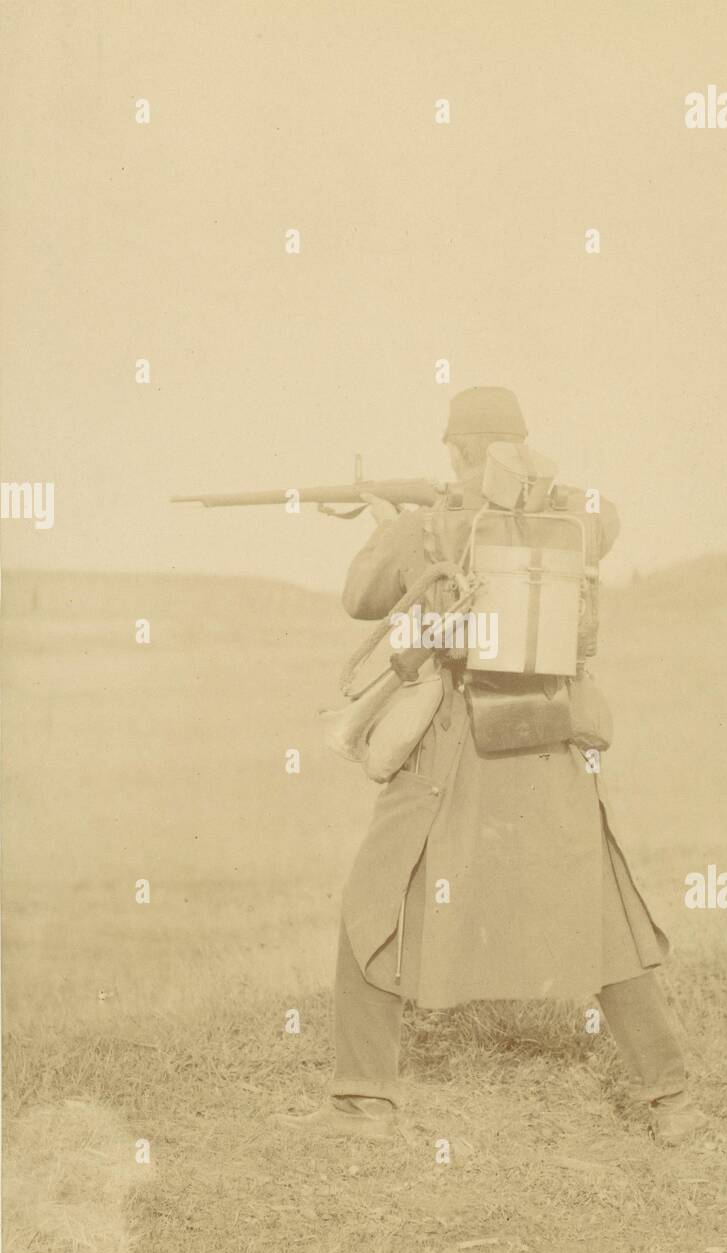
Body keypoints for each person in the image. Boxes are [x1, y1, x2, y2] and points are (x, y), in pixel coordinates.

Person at [275, 386, 705, 1146]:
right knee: (601, 911)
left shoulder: (423, 527)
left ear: (457, 450)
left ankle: (363, 1103)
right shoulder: (571, 518)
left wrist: (389, 524)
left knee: (373, 902)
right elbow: (603, 516)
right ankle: (670, 1101)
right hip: (550, 735)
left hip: (451, 743)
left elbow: (360, 597)